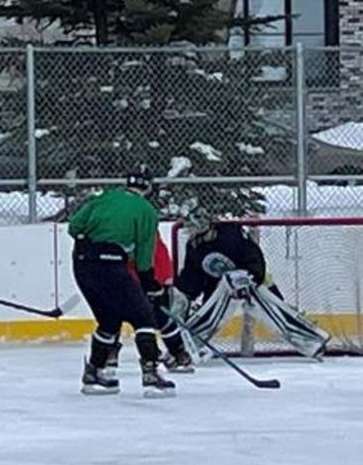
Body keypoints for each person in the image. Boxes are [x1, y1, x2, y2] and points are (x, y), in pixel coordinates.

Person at [69, 165, 175, 397]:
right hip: (111, 264)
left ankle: (94, 374)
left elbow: (74, 227)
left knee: (109, 320)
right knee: (144, 316)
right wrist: (151, 286)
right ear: (148, 186)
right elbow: (144, 257)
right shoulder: (146, 210)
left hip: (81, 263)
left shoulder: (104, 198)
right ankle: (151, 375)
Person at [174, 212, 330, 359]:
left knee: (276, 311)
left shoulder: (231, 236)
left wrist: (250, 277)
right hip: (220, 288)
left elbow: (254, 258)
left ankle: (311, 341)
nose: (192, 234)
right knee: (209, 315)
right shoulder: (194, 247)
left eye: (195, 230)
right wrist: (182, 293)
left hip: (252, 282)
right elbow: (193, 276)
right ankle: (184, 349)